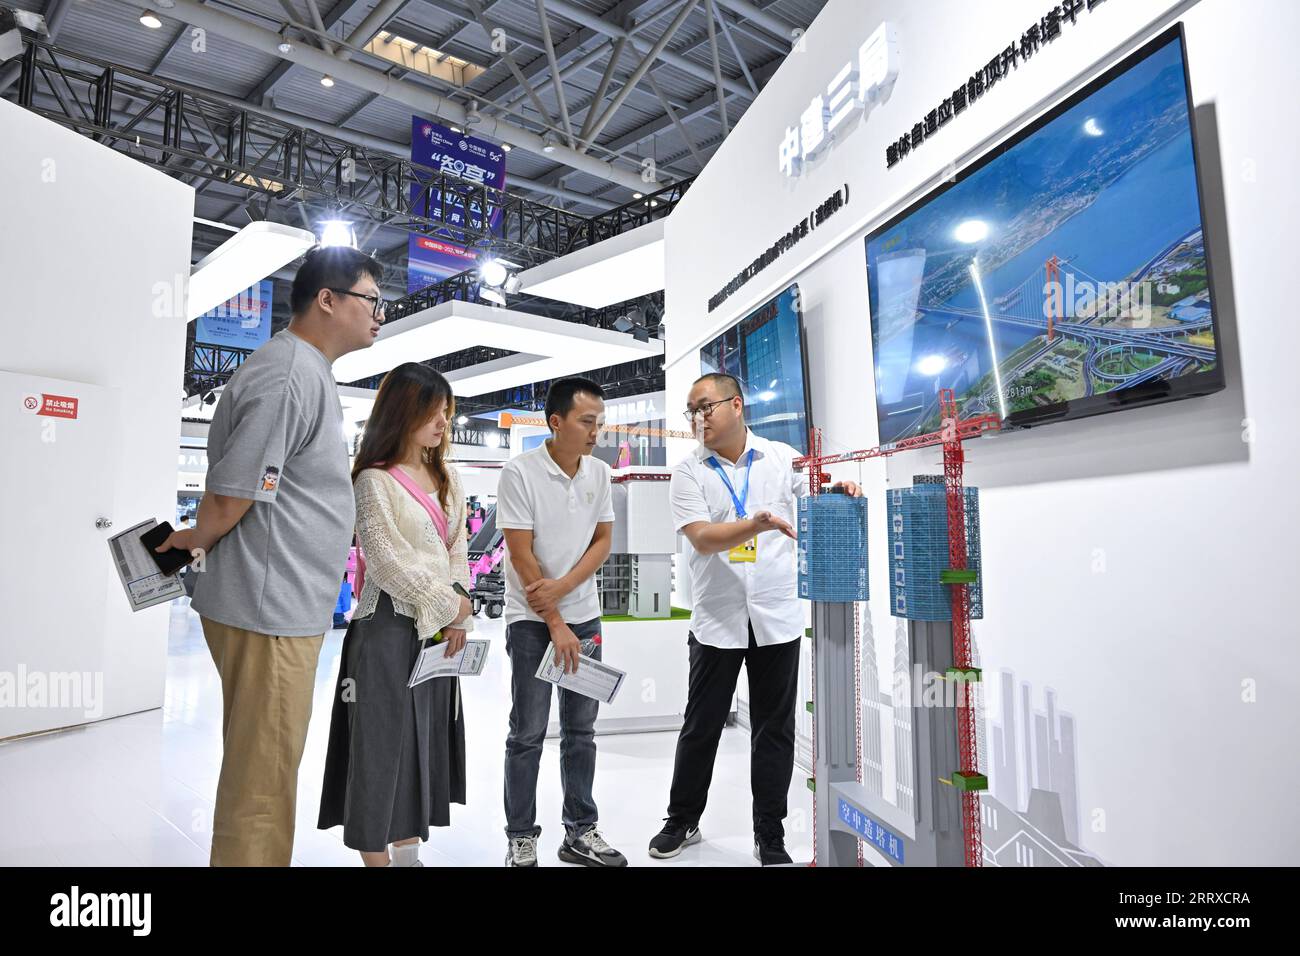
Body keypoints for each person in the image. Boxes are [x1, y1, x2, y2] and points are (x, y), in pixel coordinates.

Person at [154, 245, 386, 866]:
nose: (380, 315)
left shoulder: (305, 371)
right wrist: (194, 538)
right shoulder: (289, 372)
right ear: (327, 300)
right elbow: (236, 491)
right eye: (370, 300)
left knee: (267, 768)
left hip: (280, 603)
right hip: (269, 606)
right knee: (263, 782)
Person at [648, 373, 861, 866]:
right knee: (701, 725)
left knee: (774, 728)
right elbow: (702, 538)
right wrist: (755, 522)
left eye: (705, 407)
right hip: (716, 619)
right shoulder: (687, 472)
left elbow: (819, 492)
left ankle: (770, 831)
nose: (697, 419)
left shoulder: (781, 458)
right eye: (691, 411)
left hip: (776, 616)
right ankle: (682, 819)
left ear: (736, 404)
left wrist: (842, 487)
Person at [318, 363, 473, 868]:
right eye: (432, 413)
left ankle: (408, 856)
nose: (441, 424)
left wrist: (457, 608)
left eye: (446, 414)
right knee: (380, 744)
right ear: (402, 413)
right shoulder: (372, 481)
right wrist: (449, 605)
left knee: (425, 739)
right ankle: (376, 860)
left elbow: (458, 553)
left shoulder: (448, 481)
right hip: (385, 627)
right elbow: (384, 560)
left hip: (436, 629)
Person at [497, 377, 625, 867]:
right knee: (527, 732)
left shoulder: (599, 473)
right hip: (531, 621)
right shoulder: (520, 473)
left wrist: (566, 592)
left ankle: (580, 832)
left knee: (581, 731)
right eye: (587, 422)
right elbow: (521, 553)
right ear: (556, 422)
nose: (596, 432)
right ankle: (521, 836)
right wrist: (553, 619)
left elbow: (602, 542)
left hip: (585, 618)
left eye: (600, 423)